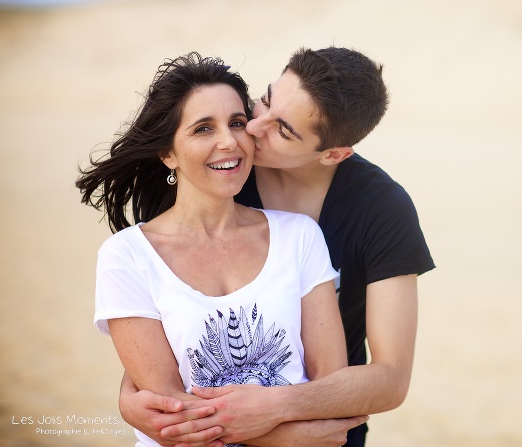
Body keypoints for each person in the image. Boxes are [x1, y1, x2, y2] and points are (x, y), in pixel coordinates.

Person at [119, 47, 436, 447]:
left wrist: (277, 408)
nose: (252, 128)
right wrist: (130, 396)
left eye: (282, 129)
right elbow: (164, 317)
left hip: (320, 431)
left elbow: (390, 379)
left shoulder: (381, 208)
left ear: (333, 154)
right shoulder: (219, 173)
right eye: (265, 100)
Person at [76, 52, 352, 447]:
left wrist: (302, 419)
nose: (229, 141)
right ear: (168, 153)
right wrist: (287, 434)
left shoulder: (300, 237)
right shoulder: (127, 256)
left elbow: (331, 392)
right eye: (203, 128)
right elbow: (173, 418)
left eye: (237, 123)